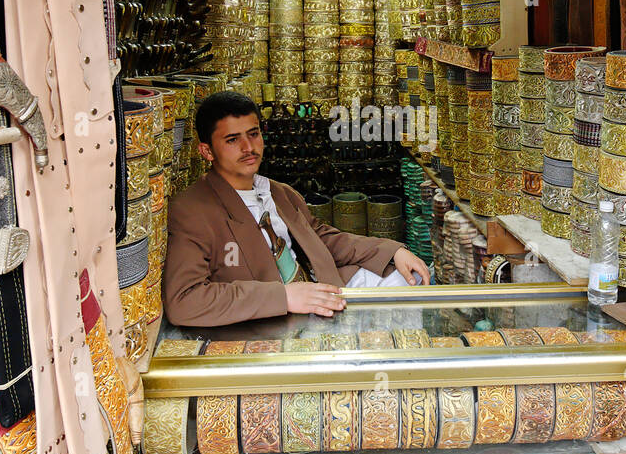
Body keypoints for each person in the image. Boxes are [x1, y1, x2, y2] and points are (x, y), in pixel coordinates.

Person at [163, 92, 431, 327]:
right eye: (232, 140)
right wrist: (284, 297)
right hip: (267, 314)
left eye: (253, 134)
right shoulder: (192, 209)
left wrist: (390, 250)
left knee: (408, 281)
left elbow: (321, 237)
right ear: (207, 151)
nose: (248, 148)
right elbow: (184, 300)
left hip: (315, 285)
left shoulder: (278, 192)